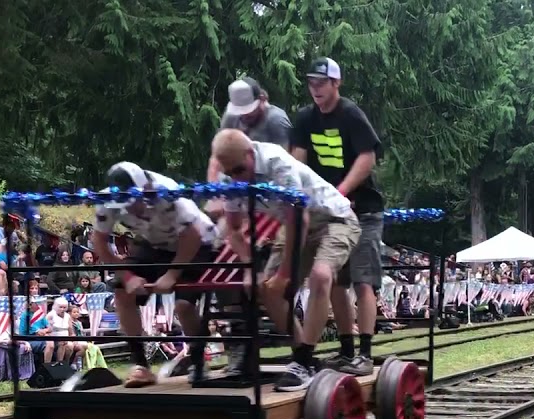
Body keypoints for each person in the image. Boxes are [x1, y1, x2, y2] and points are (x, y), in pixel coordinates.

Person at [211, 128, 360, 391]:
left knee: (321, 276)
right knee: (267, 290)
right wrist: (251, 265)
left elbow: (298, 218)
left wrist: (284, 275)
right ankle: (304, 357)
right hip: (292, 225)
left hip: (333, 218)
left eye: (239, 170)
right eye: (230, 173)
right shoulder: (230, 180)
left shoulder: (277, 162)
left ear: (250, 154)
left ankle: (301, 362)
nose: (236, 178)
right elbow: (233, 229)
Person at [290, 57, 384, 377]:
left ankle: (366, 353)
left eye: (321, 82)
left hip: (363, 210)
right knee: (334, 282)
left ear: (336, 83)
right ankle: (346, 351)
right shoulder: (305, 119)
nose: (315, 88)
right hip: (329, 214)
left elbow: (367, 157)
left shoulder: (351, 114)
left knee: (363, 281)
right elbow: (298, 163)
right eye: (311, 82)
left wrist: (340, 192)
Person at [88, 161, 217, 387]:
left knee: (183, 305)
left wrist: (172, 274)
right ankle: (141, 365)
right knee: (121, 292)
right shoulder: (108, 199)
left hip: (198, 243)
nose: (129, 210)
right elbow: (99, 241)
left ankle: (197, 360)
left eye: (134, 202)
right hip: (152, 242)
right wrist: (127, 277)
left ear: (145, 187)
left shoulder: (169, 194)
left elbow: (193, 236)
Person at [207, 77, 293, 183]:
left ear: (262, 99)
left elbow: (287, 161)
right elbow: (218, 156)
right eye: (239, 111)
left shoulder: (276, 120)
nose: (244, 115)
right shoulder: (231, 116)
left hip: (269, 179)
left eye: (249, 110)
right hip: (237, 175)